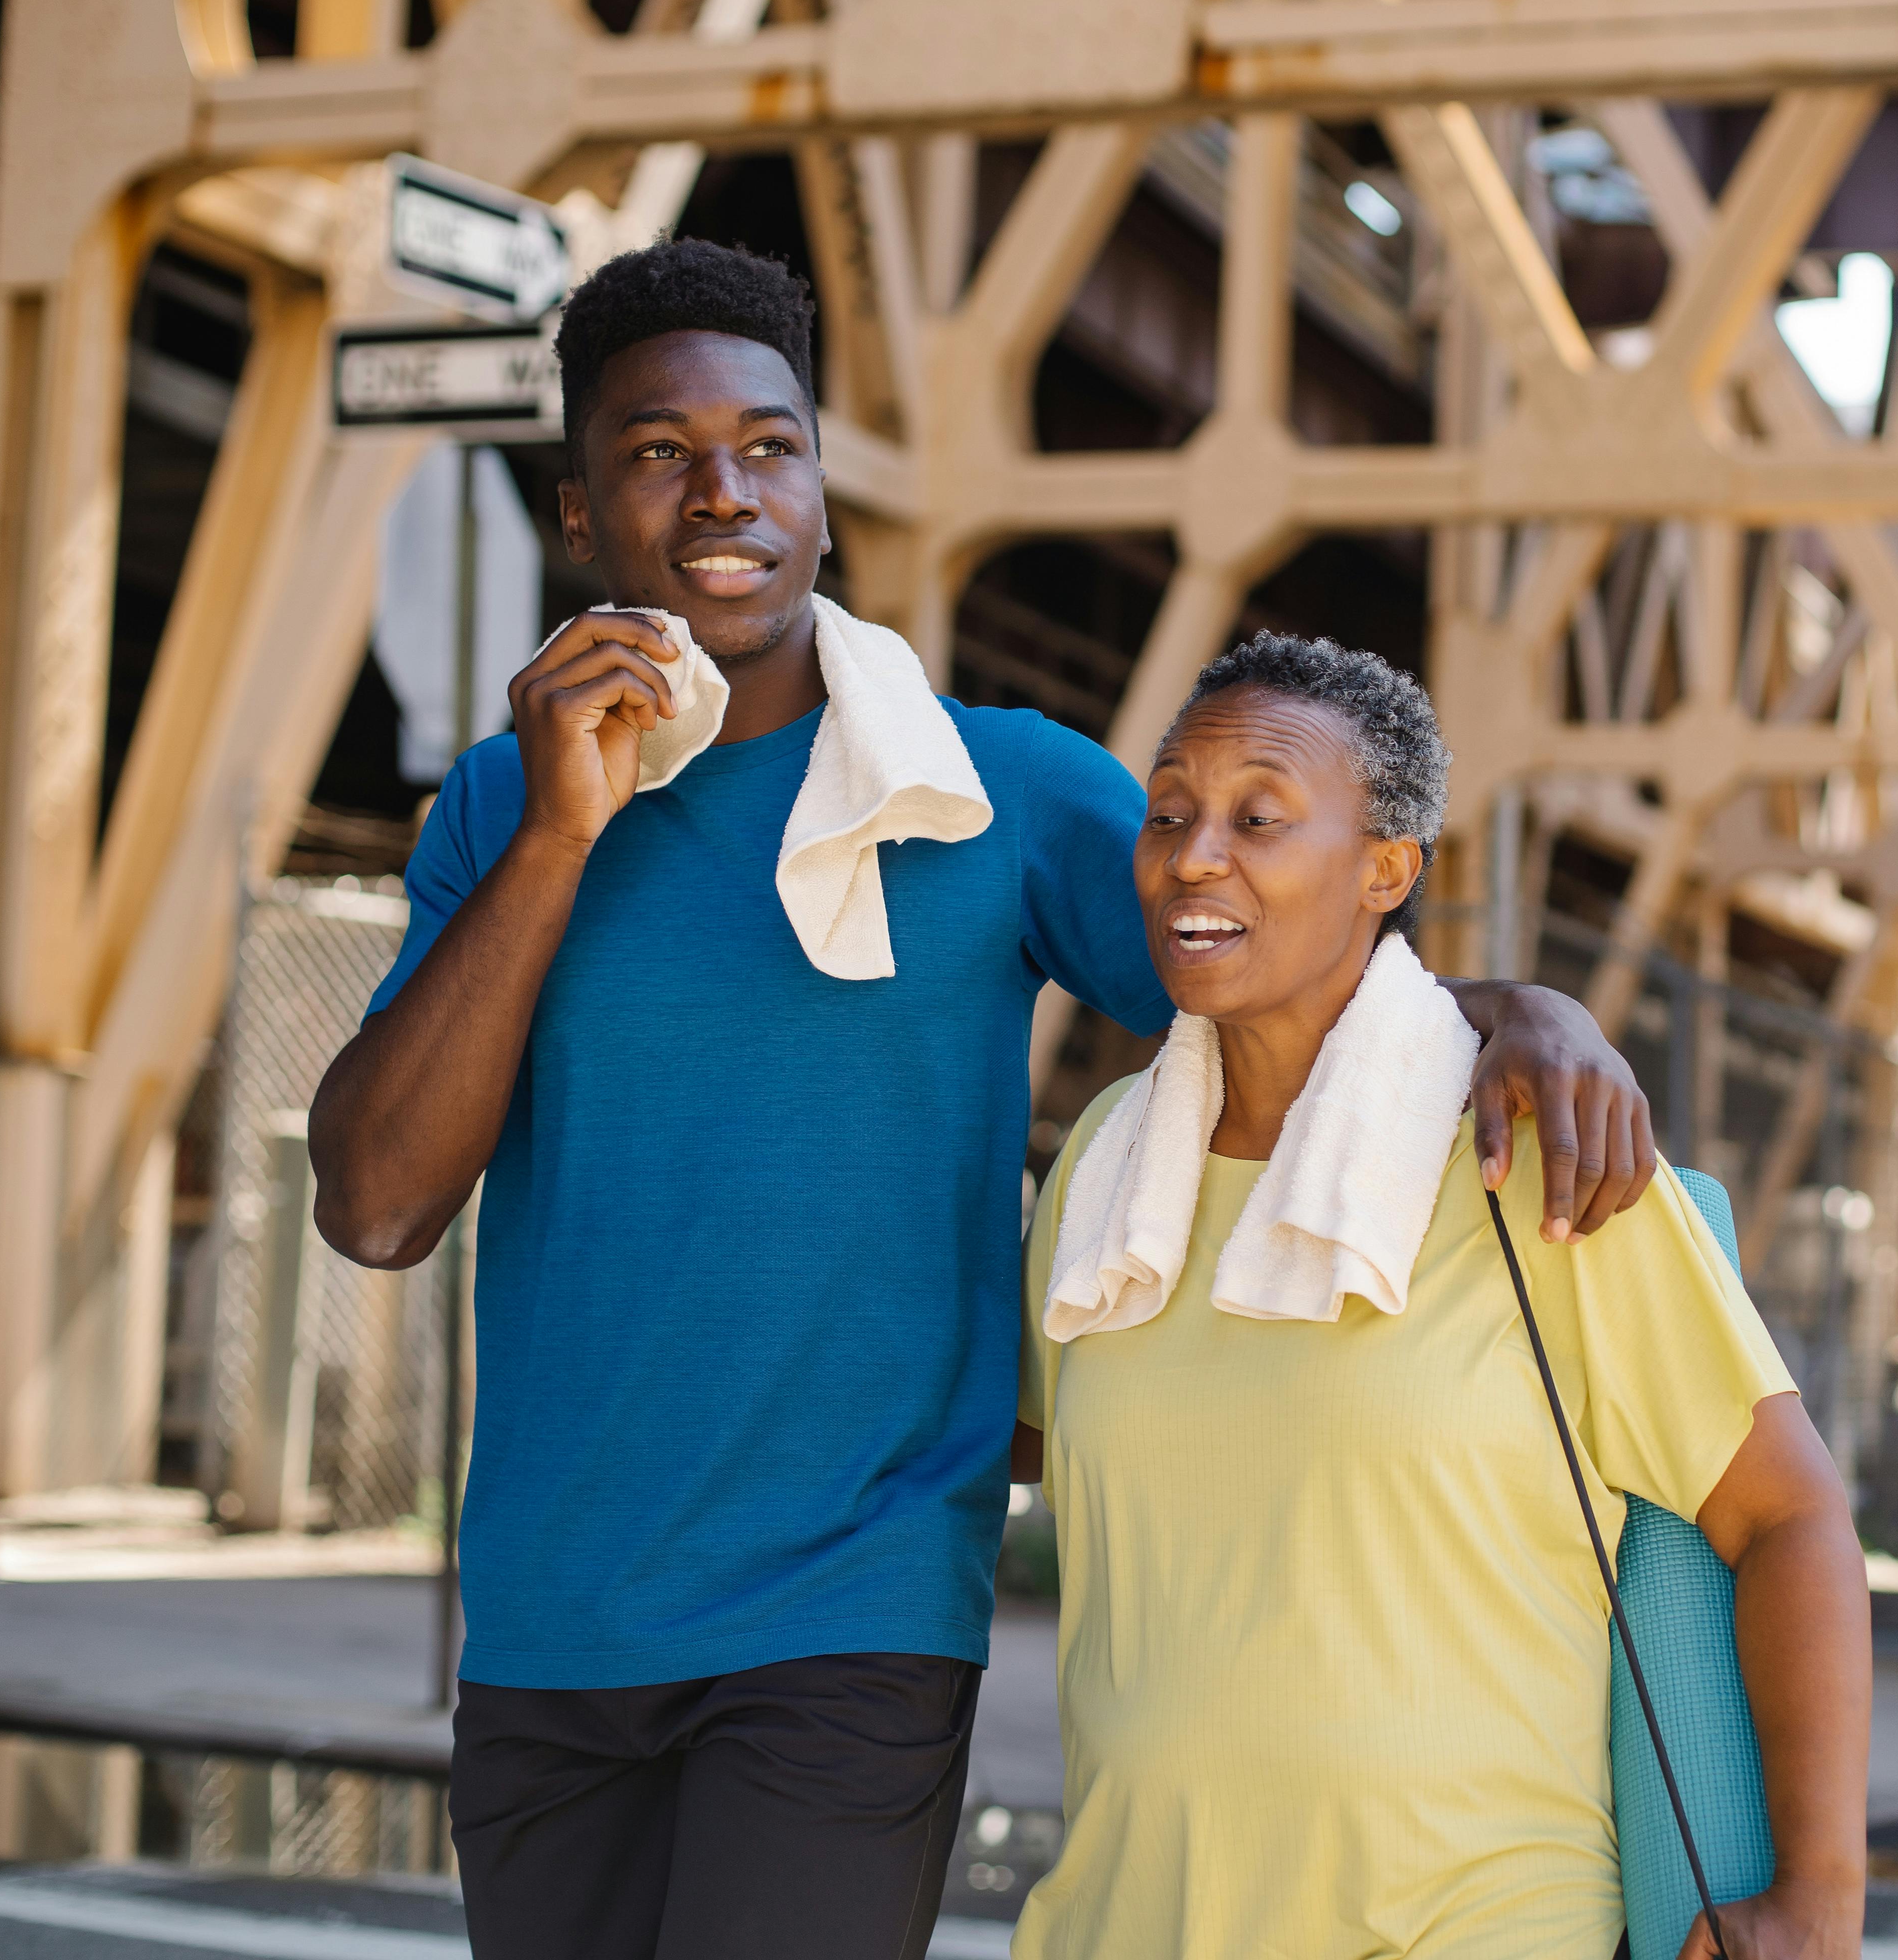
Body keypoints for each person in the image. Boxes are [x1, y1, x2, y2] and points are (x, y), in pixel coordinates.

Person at [306, 238, 1664, 1960]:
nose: (726, 489)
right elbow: (376, 1204)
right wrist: (567, 832)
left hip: (851, 1602)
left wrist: (1517, 1007)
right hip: (550, 1618)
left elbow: (1282, 978)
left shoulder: (988, 793)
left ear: (817, 493)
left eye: (771, 445)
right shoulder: (505, 808)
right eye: (660, 453)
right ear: (583, 520)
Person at [1011, 635, 1873, 1960]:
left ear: (1386, 871)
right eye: (1171, 812)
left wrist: (1820, 1902)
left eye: (1260, 818)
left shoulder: (1543, 1161)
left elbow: (1790, 1514)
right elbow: (1021, 1448)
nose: (1192, 856)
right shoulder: (1110, 1173)